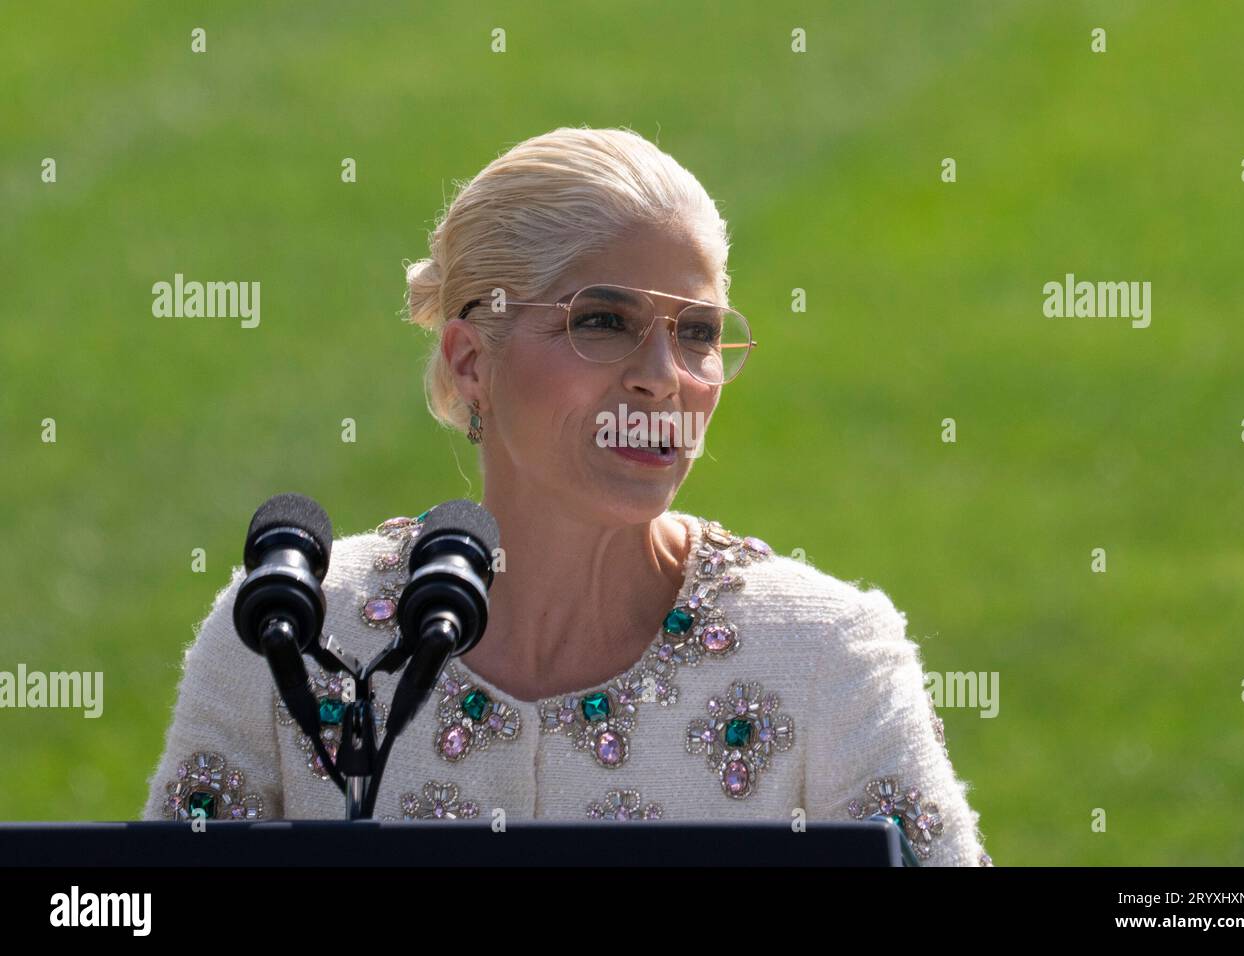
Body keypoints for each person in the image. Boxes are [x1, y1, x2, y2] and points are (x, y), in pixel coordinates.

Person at [142, 126, 993, 865]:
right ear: (472, 360)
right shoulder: (288, 634)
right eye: (603, 322)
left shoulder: (826, 659)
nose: (665, 379)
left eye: (696, 333)